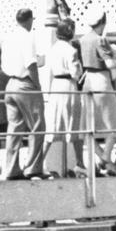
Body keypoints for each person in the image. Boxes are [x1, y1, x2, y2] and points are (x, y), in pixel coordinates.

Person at [0, 7, 44, 180]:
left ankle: (11, 169)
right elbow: (31, 63)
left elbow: (4, 64)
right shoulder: (27, 36)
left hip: (10, 83)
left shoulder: (8, 38)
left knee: (14, 129)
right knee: (37, 126)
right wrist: (37, 85)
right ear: (30, 20)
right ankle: (32, 168)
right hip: (25, 84)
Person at [78, 6, 116, 175]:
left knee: (89, 127)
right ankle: (105, 157)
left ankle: (104, 159)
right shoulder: (100, 40)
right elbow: (111, 64)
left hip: (88, 81)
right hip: (101, 81)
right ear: (103, 21)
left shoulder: (83, 40)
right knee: (115, 124)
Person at [42, 17, 85, 177]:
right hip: (68, 87)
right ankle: (80, 163)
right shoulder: (71, 50)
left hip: (56, 87)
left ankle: (38, 162)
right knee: (73, 124)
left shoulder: (53, 49)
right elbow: (76, 73)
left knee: (53, 125)